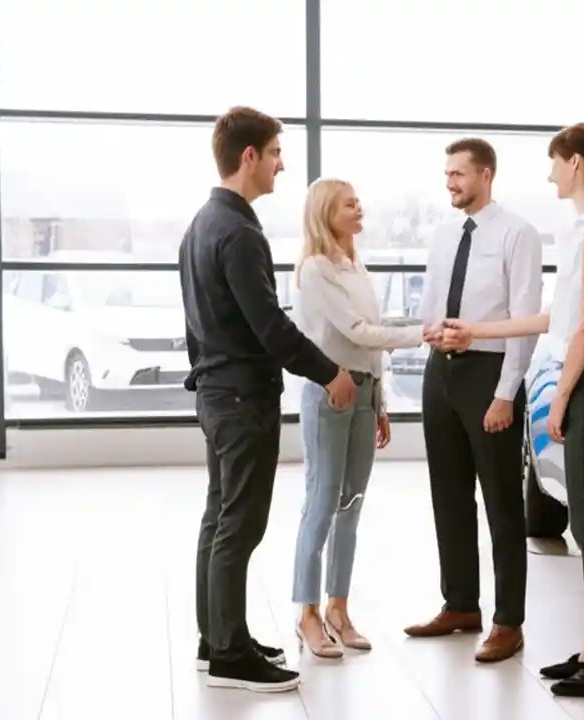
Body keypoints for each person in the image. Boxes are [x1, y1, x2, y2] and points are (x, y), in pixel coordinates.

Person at [437, 122, 584, 696]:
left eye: (554, 162)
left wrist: (563, 395)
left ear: (575, 164)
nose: (549, 173)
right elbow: (556, 318)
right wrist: (477, 328)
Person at [180, 106, 358, 693]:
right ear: (249, 156)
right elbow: (270, 328)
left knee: (219, 519)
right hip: (240, 398)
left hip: (214, 393)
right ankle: (230, 656)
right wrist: (329, 371)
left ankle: (218, 640)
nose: (282, 164)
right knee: (241, 524)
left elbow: (198, 322)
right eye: (276, 152)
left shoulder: (201, 224)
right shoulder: (238, 231)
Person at [404, 138, 543, 664]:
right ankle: (460, 604)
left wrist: (506, 393)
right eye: (446, 174)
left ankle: (509, 621)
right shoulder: (445, 234)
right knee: (449, 493)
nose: (450, 182)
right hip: (441, 371)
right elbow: (434, 298)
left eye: (458, 174)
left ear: (485, 174)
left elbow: (525, 319)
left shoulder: (518, 234)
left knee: (503, 500)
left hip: (489, 372)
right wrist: (429, 343)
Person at [291, 178, 425, 659]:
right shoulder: (316, 269)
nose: (359, 208)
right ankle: (306, 614)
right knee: (322, 502)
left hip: (364, 394)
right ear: (327, 212)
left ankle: (338, 610)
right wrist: (423, 335)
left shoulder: (354, 267)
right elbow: (357, 331)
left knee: (353, 504)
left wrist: (381, 404)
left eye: (358, 201)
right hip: (330, 395)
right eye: (350, 204)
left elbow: (370, 345)